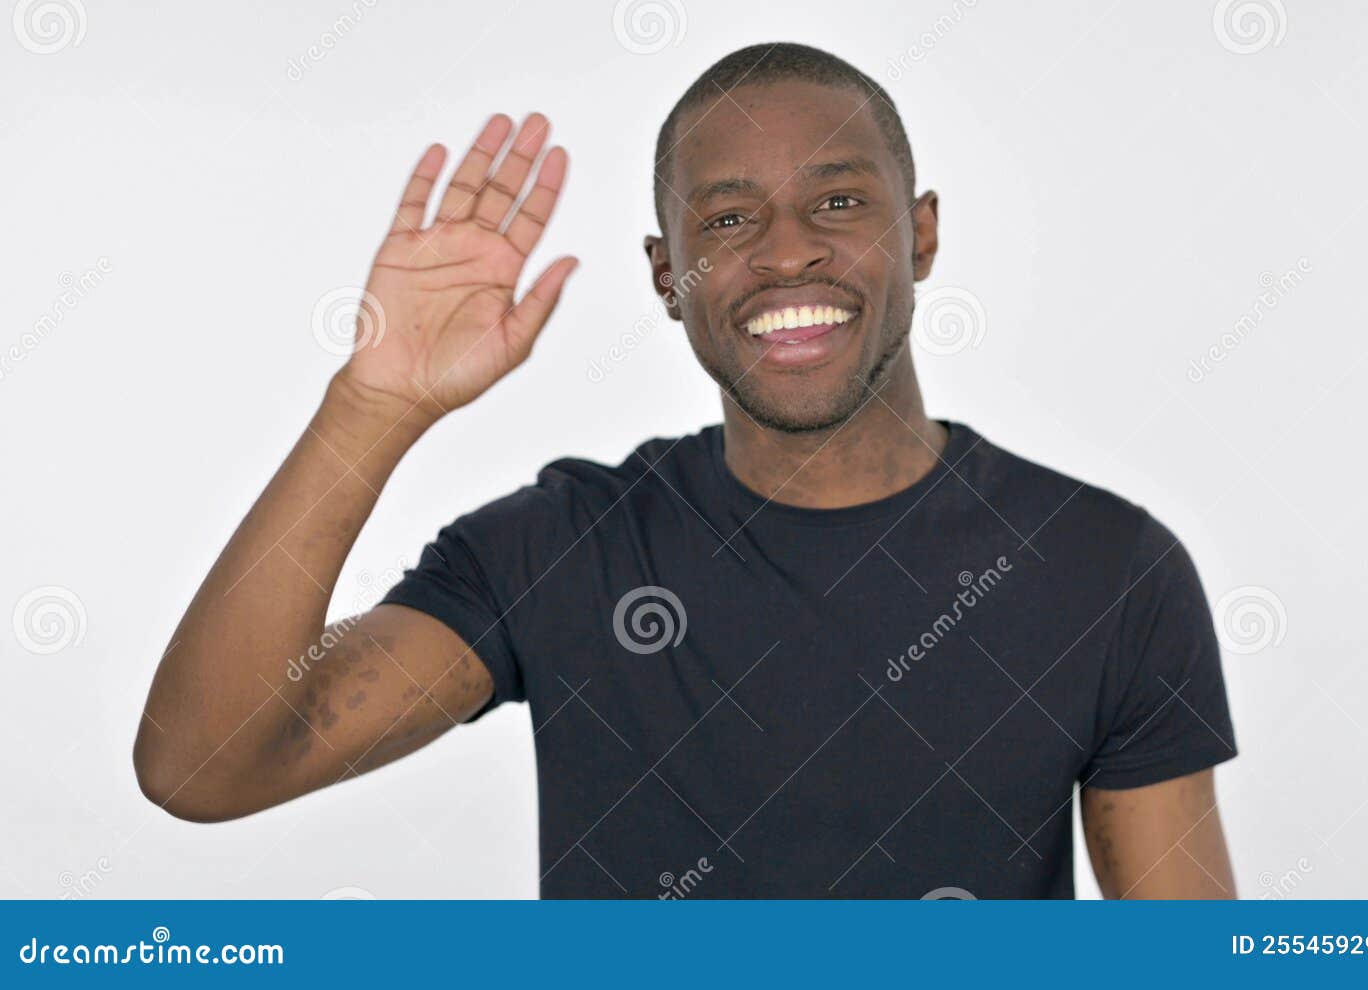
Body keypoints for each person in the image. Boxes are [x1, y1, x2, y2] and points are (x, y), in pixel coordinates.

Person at [134, 42, 1238, 899]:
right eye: (727, 218)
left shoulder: (1105, 570)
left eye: (840, 203)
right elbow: (204, 768)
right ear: (669, 276)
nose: (786, 249)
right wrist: (370, 410)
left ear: (924, 236)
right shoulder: (556, 549)